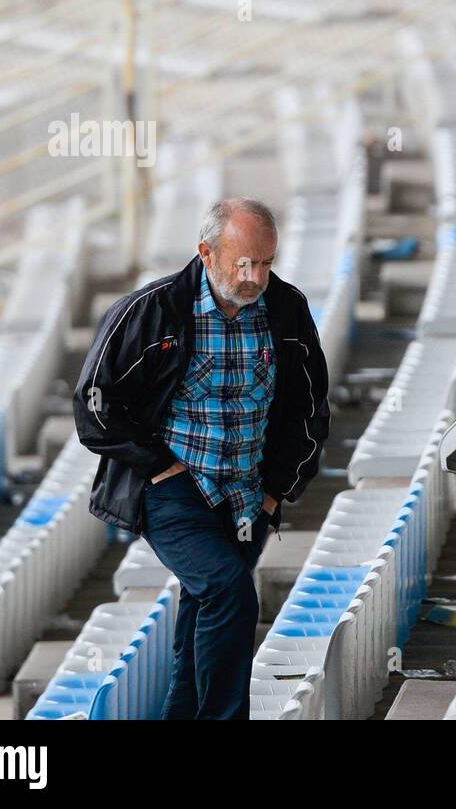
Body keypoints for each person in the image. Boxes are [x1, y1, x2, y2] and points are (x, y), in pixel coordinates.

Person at [73, 198, 330, 719]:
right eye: (243, 263)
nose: (255, 275)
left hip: (249, 493)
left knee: (205, 606)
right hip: (173, 487)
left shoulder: (286, 309)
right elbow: (93, 404)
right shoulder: (150, 311)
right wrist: (157, 466)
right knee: (228, 591)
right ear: (206, 253)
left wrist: (276, 489)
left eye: (265, 262)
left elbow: (309, 405)